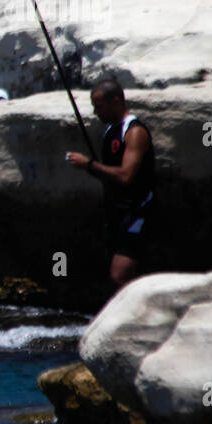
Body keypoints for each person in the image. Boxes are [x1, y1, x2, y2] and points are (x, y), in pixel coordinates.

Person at [66, 77, 156, 291]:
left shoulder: (134, 132)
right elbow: (110, 174)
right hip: (117, 213)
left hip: (139, 212)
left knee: (119, 276)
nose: (96, 112)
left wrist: (88, 164)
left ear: (116, 102)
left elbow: (125, 176)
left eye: (99, 107)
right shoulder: (110, 130)